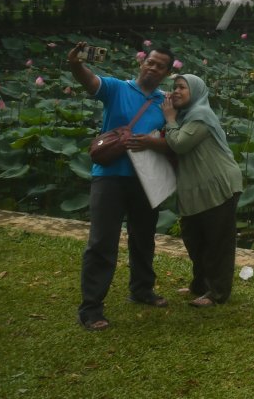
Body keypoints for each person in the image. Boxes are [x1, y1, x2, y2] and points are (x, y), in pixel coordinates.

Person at [67, 41, 174, 331]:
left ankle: (142, 290)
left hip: (145, 179)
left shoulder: (164, 102)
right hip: (110, 176)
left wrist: (153, 141)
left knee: (144, 237)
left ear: (165, 73)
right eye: (150, 62)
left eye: (160, 66)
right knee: (102, 242)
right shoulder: (117, 88)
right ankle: (90, 308)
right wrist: (76, 63)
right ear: (142, 63)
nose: (153, 67)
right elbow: (89, 80)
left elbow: (174, 138)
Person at [129, 74, 243, 307]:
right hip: (194, 187)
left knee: (217, 241)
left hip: (217, 184)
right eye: (175, 87)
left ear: (197, 91)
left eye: (183, 87)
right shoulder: (184, 116)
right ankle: (200, 285)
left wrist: (169, 119)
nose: (176, 91)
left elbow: (179, 143)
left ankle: (217, 292)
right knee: (194, 238)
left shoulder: (201, 116)